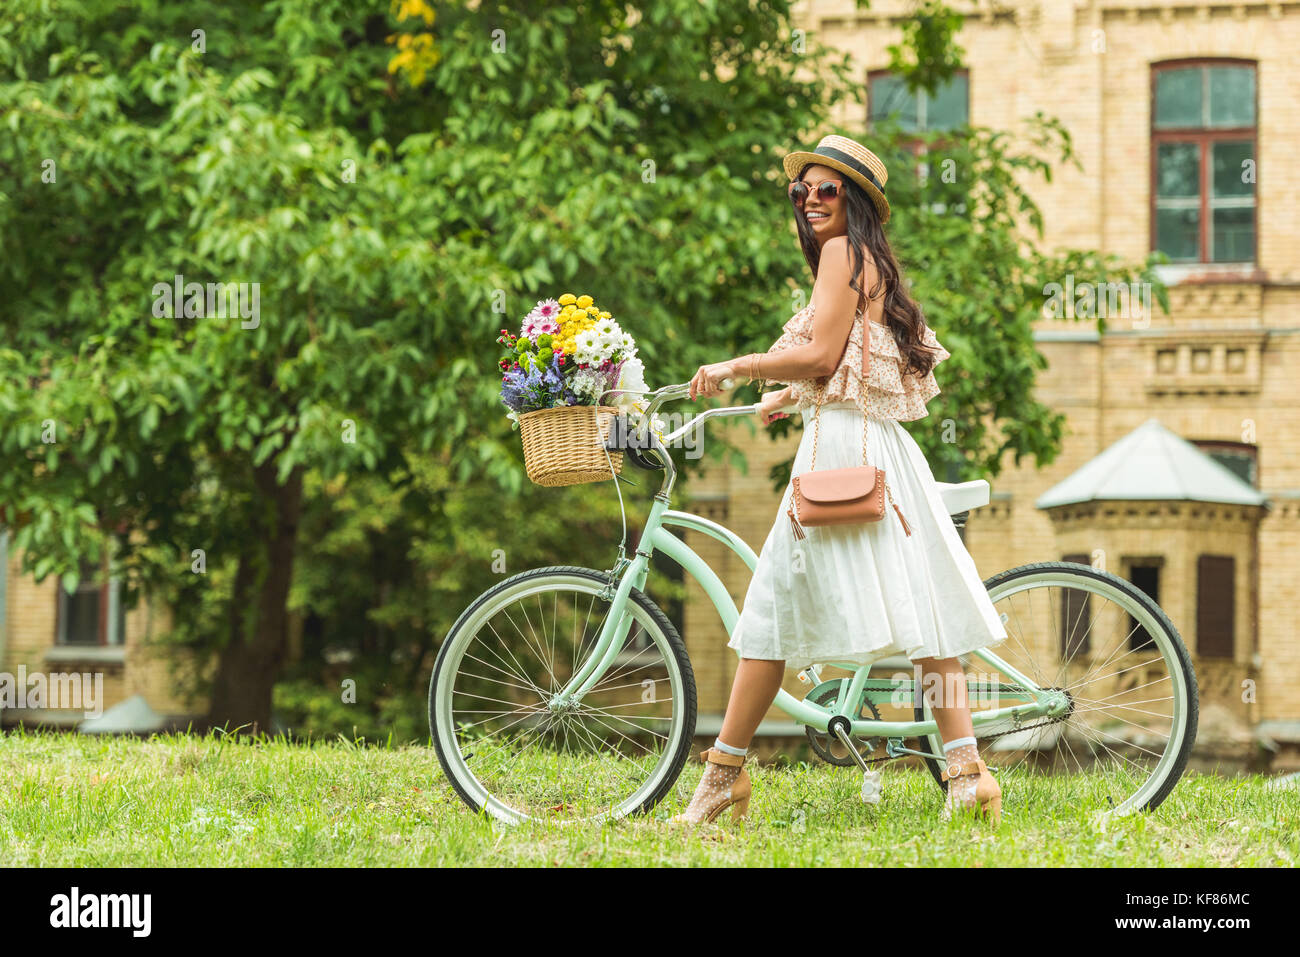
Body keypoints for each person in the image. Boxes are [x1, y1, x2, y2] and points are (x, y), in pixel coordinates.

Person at [674, 134, 1008, 829]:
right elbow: (844, 359)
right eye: (802, 191)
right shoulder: (863, 261)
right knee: (925, 618)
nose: (812, 201)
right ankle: (967, 772)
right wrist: (788, 394)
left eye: (828, 190)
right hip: (873, 446)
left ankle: (723, 777)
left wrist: (738, 366)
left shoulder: (840, 254)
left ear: (854, 201)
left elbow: (822, 352)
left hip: (842, 453)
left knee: (768, 612)